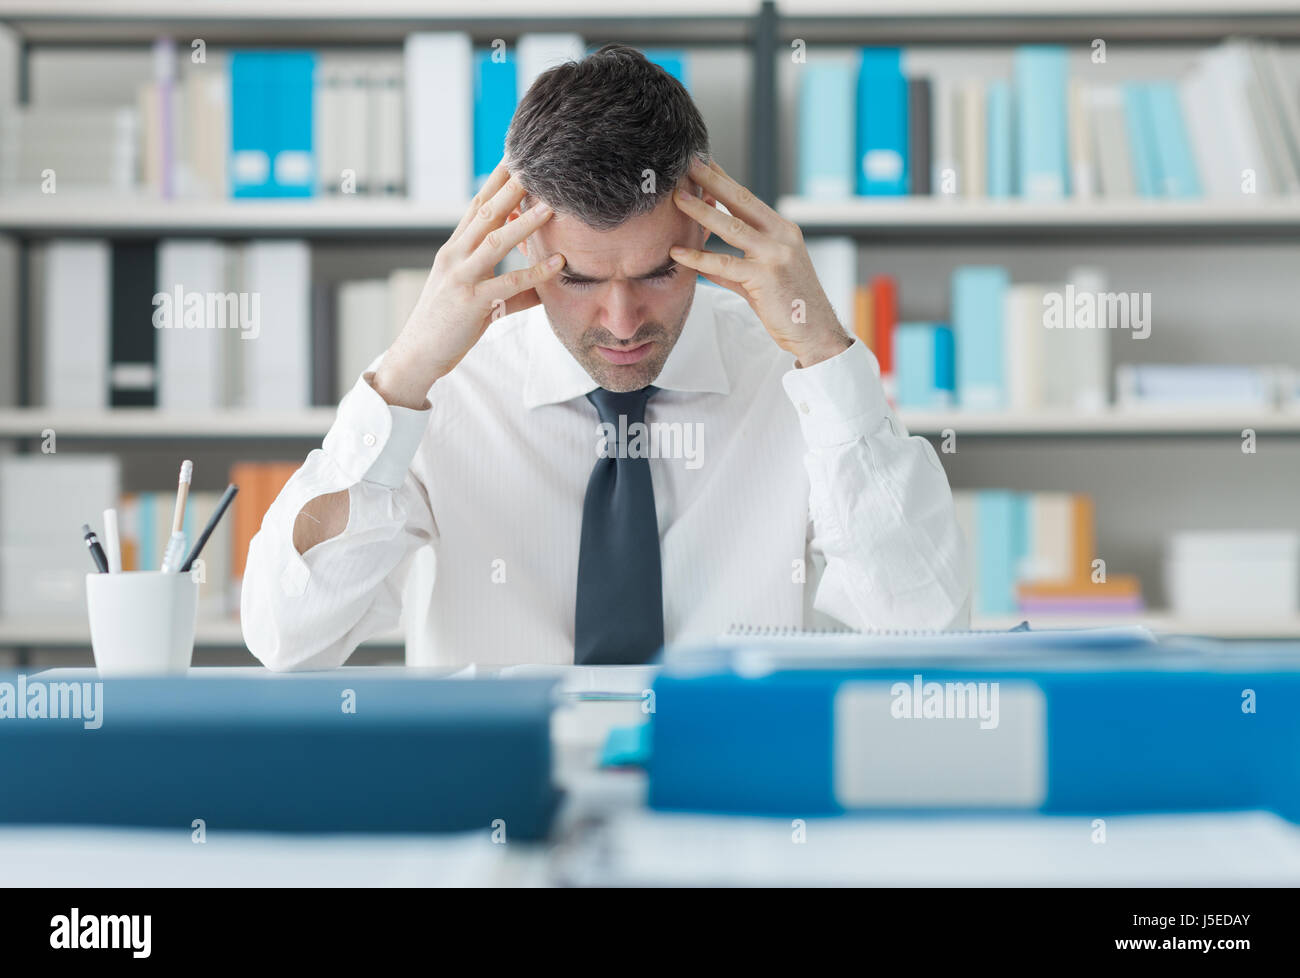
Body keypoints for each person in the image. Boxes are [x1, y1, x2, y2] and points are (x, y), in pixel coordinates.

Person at [242, 44, 969, 671]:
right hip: (502, 806)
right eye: (579, 278)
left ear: (708, 226)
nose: (621, 323)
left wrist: (824, 351)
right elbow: (287, 639)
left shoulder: (794, 380)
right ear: (520, 242)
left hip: (722, 800)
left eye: (659, 271)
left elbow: (929, 632)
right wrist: (404, 372)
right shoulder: (439, 392)